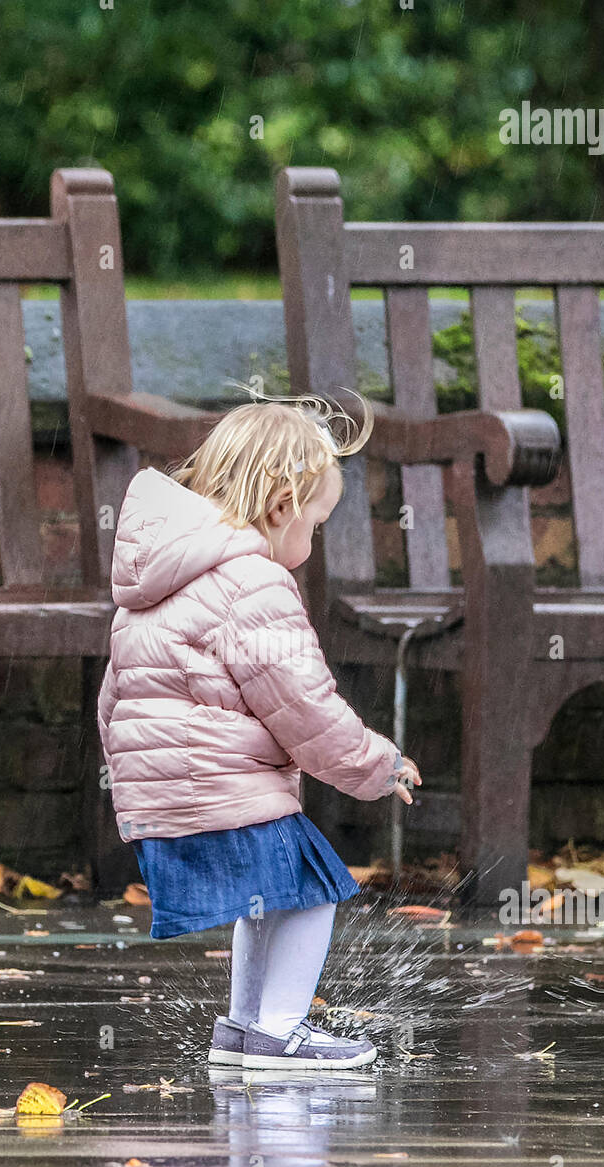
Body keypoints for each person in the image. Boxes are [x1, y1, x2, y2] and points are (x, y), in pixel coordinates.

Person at [97, 393, 420, 1069]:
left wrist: (137, 793)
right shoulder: (253, 583)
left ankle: (245, 1028)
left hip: (167, 796)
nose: (312, 540)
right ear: (280, 508)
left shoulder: (154, 583)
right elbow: (303, 706)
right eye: (317, 523)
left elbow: (115, 697)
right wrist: (374, 764)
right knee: (315, 893)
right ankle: (278, 1029)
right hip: (222, 789)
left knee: (266, 900)